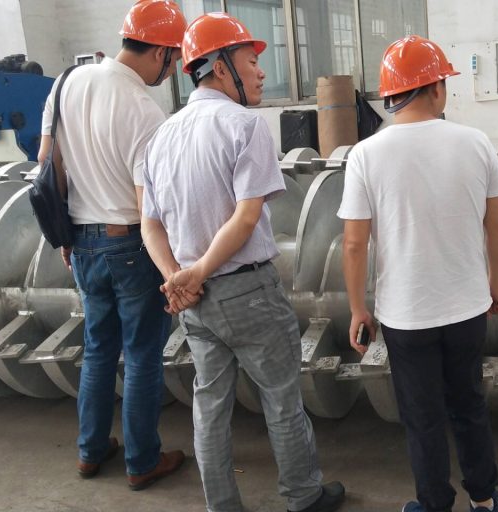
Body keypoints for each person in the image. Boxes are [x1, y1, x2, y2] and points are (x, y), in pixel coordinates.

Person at [139, 12, 345, 512]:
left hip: (194, 302)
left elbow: (150, 225)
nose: (260, 72)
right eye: (251, 61)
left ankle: (222, 504)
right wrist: (196, 273)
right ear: (219, 66)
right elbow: (247, 216)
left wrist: (178, 280)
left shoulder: (160, 137)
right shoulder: (244, 125)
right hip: (246, 292)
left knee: (210, 406)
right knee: (282, 398)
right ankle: (304, 496)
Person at [338, 35, 498, 512]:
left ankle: (435, 504)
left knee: (423, 417)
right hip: (466, 307)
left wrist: (358, 308)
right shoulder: (475, 143)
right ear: (436, 88)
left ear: (392, 95)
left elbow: (354, 243)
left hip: (406, 315)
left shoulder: (365, 155)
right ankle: (485, 500)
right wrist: (495, 287)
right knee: (469, 405)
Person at [37, 0, 187, 491]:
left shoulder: (67, 82)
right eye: (174, 60)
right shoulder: (144, 110)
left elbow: (47, 163)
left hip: (81, 243)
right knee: (142, 354)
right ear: (160, 53)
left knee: (99, 349)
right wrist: (174, 266)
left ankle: (91, 451)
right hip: (130, 246)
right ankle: (142, 461)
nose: (173, 71)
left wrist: (65, 236)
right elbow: (151, 204)